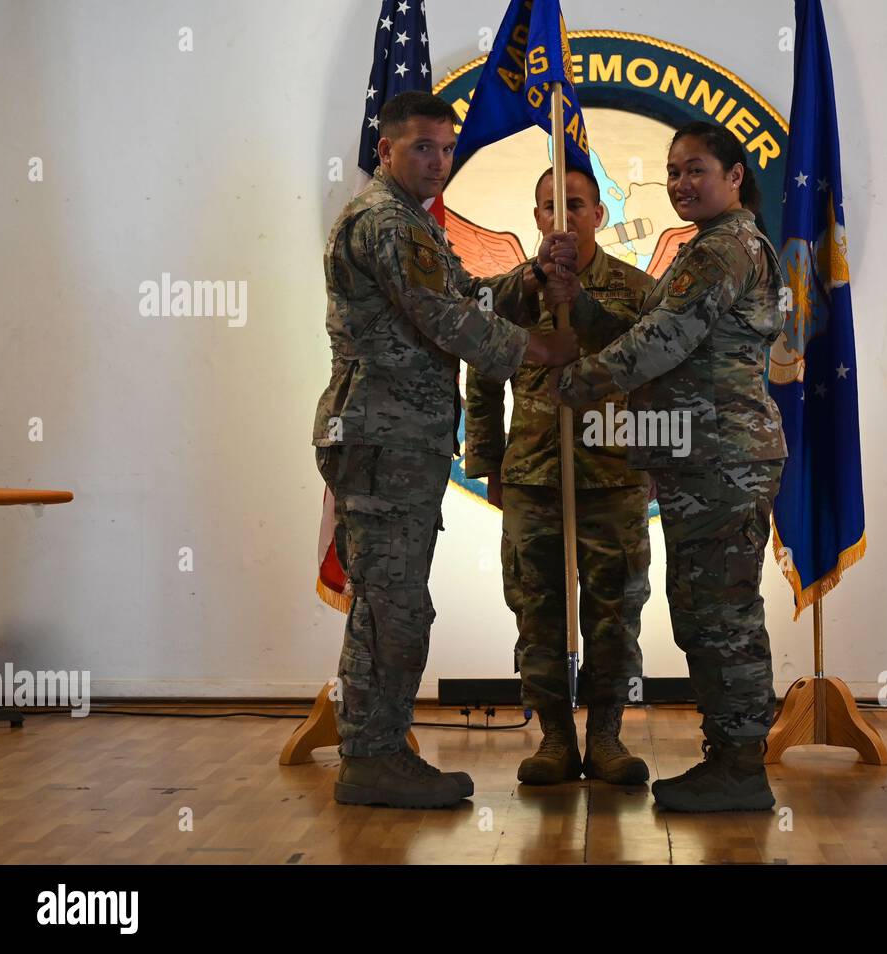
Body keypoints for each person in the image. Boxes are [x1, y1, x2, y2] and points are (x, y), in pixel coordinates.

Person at [312, 91, 579, 809]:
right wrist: (540, 348)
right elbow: (443, 318)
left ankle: (376, 750)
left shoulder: (412, 226)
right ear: (385, 151)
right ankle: (372, 758)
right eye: (422, 147)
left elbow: (467, 297)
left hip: (400, 439)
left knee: (394, 604)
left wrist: (525, 281)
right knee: (392, 608)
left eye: (446, 147)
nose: (437, 161)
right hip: (383, 437)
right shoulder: (385, 223)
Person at [551, 121, 787, 812]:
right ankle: (729, 758)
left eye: (698, 170)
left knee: (723, 618)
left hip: (724, 461)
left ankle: (742, 767)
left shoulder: (725, 250)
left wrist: (575, 382)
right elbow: (645, 329)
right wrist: (578, 298)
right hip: (702, 460)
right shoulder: (704, 248)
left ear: (736, 175)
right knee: (704, 613)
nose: (683, 183)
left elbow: (663, 340)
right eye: (674, 172)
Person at [464, 165, 656, 786]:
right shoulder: (512, 294)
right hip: (532, 475)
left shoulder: (636, 291)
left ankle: (606, 738)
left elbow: (659, 376)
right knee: (536, 609)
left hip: (614, 476)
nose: (561, 218)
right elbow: (484, 376)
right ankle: (552, 738)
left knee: (615, 610)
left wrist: (653, 457)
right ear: (536, 216)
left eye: (574, 205)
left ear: (599, 215)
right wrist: (488, 463)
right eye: (548, 206)